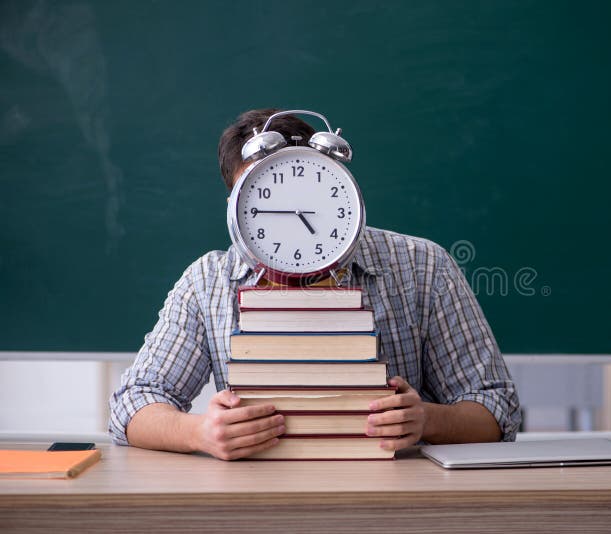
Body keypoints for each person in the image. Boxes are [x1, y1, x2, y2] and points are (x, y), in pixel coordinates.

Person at [109, 108, 521, 460]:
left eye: (306, 186)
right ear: (237, 209)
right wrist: (198, 432)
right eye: (262, 197)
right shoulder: (207, 282)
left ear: (334, 180)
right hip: (256, 498)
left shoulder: (422, 265)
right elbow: (133, 403)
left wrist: (427, 418)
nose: (285, 208)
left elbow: (497, 408)